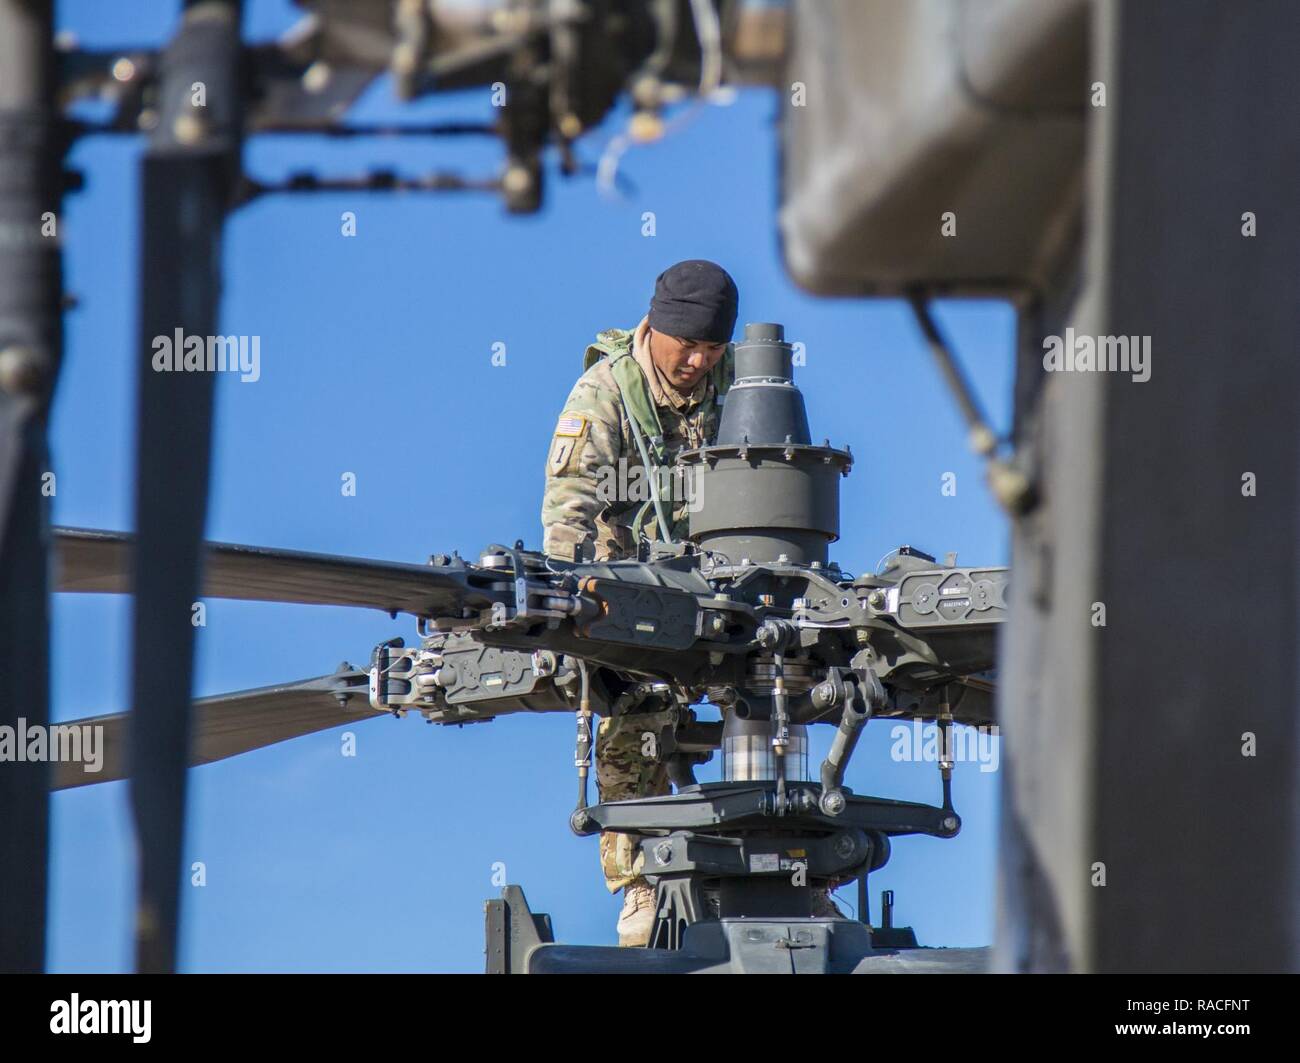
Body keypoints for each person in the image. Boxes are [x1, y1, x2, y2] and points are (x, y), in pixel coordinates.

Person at [540, 260, 840, 945]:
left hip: (726, 592)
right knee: (635, 710)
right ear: (656, 329)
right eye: (688, 347)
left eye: (712, 348)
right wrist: (581, 618)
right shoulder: (605, 395)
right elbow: (568, 521)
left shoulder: (735, 378)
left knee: (786, 686)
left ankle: (802, 878)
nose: (699, 361)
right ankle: (640, 886)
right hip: (634, 596)